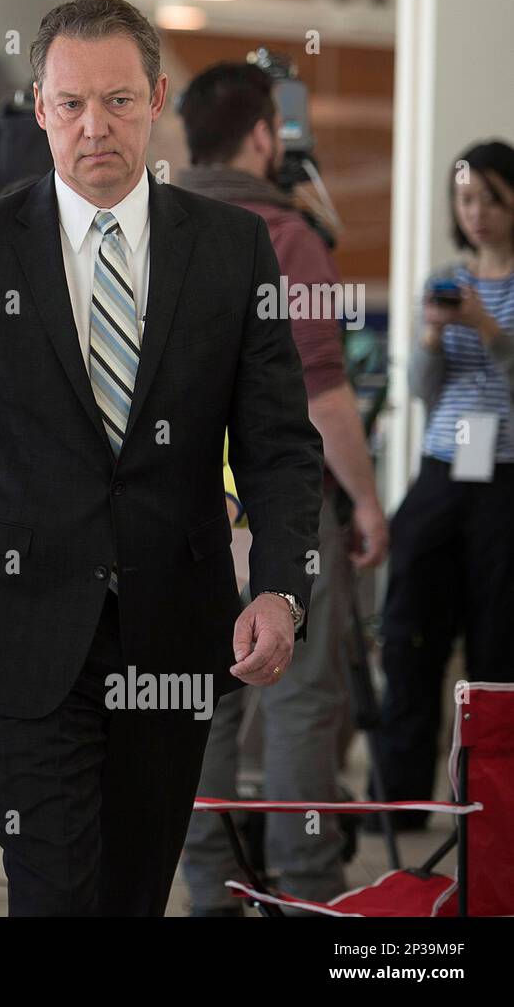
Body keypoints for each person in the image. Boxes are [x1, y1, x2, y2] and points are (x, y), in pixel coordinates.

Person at [0, 0, 324, 916]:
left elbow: (280, 444)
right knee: (54, 894)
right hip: (25, 638)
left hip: (175, 631)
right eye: (73, 103)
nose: (96, 127)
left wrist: (282, 588)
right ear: (40, 108)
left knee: (133, 893)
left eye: (119, 101)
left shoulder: (232, 248)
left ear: (156, 99)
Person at [175, 62, 389, 913]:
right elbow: (324, 396)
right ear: (265, 135)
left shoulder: (154, 227)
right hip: (277, 511)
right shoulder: (286, 236)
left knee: (202, 705)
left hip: (183, 514)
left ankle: (211, 889)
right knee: (300, 697)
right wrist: (366, 500)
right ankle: (306, 889)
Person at [373, 139, 514, 824]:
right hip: (443, 464)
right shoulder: (443, 278)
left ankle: (487, 810)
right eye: (465, 200)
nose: (476, 213)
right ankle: (400, 805)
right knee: (410, 633)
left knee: (497, 642)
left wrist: (489, 329)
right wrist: (432, 335)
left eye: (491, 199)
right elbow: (423, 392)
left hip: (505, 477)